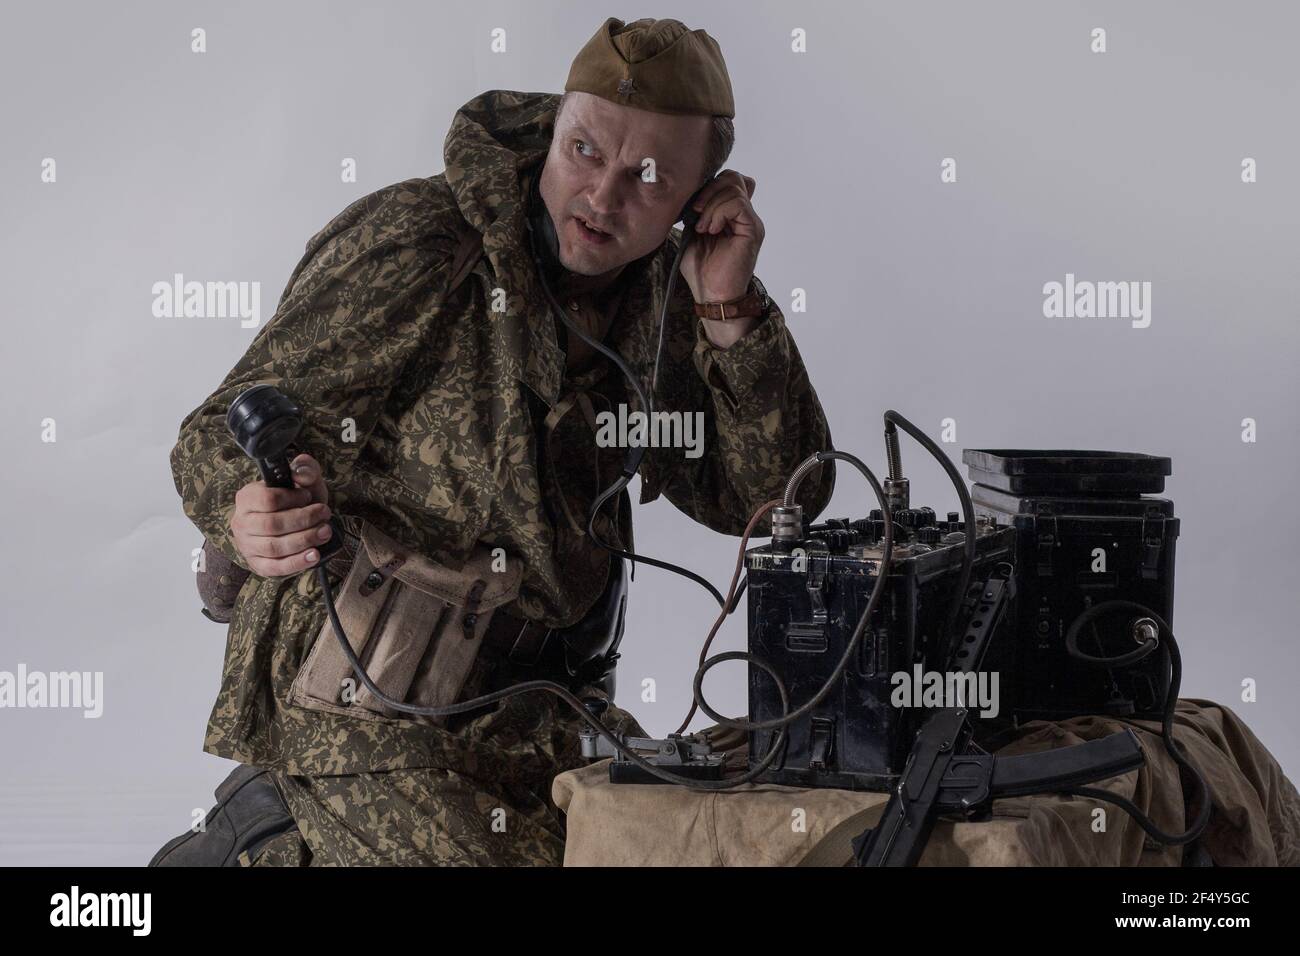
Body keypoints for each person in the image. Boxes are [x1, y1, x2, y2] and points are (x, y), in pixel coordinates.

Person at [158, 16, 835, 866]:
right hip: (369, 702)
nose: (603, 197)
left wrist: (729, 311)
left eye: (649, 177)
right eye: (585, 151)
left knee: (680, 848)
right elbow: (215, 429)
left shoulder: (673, 294)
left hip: (545, 706)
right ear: (554, 129)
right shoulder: (419, 243)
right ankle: (270, 834)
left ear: (701, 198)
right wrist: (241, 508)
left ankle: (289, 840)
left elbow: (775, 505)